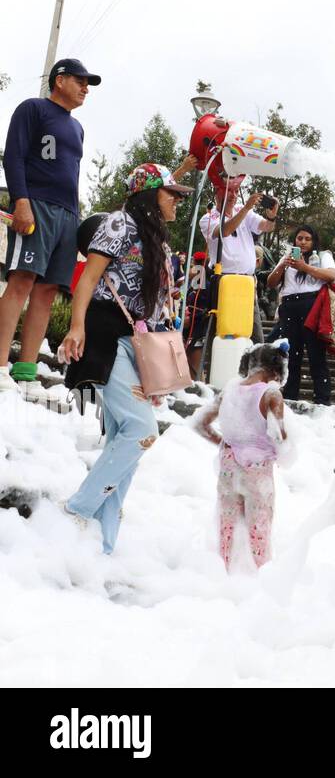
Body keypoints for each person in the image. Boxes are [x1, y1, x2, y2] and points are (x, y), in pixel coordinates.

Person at [61, 163, 193, 553]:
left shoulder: (159, 241)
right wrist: (76, 326)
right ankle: (77, 509)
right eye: (172, 194)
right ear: (151, 195)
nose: (178, 202)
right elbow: (88, 278)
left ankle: (104, 544)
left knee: (122, 437)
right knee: (141, 430)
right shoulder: (119, 224)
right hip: (107, 336)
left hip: (137, 343)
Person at [0, 59, 98, 394]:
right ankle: (0, 365)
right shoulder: (33, 109)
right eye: (81, 81)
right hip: (35, 204)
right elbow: (13, 155)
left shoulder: (78, 128)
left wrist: (78, 221)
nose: (86, 88)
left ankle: (25, 372)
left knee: (47, 291)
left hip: (68, 214)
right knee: (21, 281)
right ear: (60, 80)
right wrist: (21, 200)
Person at [195, 341, 291, 570]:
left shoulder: (229, 391)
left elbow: (200, 424)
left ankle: (224, 575)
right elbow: (280, 436)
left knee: (226, 529)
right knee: (259, 532)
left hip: (228, 466)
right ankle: (259, 579)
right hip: (258, 471)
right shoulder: (271, 393)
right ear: (276, 370)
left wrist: (228, 443)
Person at [198, 184, 278, 363]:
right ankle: (213, 370)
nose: (233, 195)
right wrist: (247, 208)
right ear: (217, 192)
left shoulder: (242, 210)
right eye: (228, 191)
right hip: (224, 281)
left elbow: (266, 227)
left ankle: (258, 375)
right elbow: (224, 231)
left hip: (247, 282)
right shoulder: (208, 218)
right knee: (220, 331)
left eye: (235, 191)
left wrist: (271, 216)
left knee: (255, 334)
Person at [267, 225, 335, 405]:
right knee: (291, 355)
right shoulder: (287, 257)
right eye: (299, 238)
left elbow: (331, 275)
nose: (303, 242)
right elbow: (271, 282)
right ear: (294, 240)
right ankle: (289, 396)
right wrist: (283, 264)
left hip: (312, 304)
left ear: (313, 241)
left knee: (316, 354)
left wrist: (304, 267)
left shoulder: (323, 256)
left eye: (307, 239)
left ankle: (322, 399)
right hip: (289, 305)